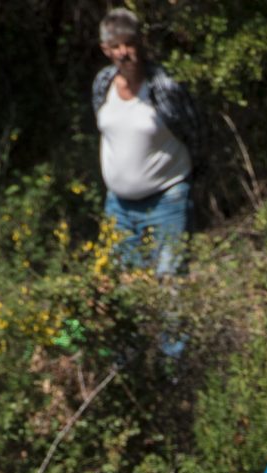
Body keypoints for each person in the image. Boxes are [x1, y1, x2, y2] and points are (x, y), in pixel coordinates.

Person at [92, 8, 203, 277]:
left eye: (129, 44)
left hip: (167, 199)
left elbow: (196, 132)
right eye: (115, 46)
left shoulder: (163, 86)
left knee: (169, 286)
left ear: (140, 43)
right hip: (118, 206)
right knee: (124, 287)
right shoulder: (103, 83)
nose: (123, 52)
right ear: (105, 49)